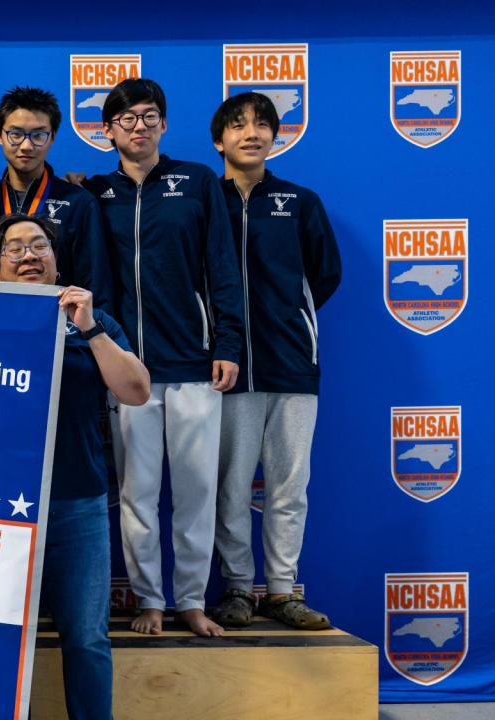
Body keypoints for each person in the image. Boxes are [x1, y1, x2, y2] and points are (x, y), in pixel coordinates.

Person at [83, 78, 244, 637]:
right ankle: (151, 599)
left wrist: (228, 344)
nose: (139, 126)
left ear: (164, 124)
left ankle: (192, 600)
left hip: (195, 366)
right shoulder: (95, 193)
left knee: (198, 492)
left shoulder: (197, 182)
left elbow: (223, 268)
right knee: (137, 493)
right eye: (127, 119)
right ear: (107, 130)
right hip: (129, 371)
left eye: (150, 116)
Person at [0, 214, 149, 719]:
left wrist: (92, 327)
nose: (29, 255)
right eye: (14, 250)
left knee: (86, 639)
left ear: (57, 262)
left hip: (77, 506)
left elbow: (136, 390)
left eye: (40, 245)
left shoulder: (89, 320)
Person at [209, 92, 341, 630]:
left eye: (263, 124)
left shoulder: (299, 201)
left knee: (289, 484)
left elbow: (324, 274)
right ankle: (239, 588)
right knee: (231, 485)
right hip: (225, 368)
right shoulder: (202, 200)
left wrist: (292, 321)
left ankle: (283, 591)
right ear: (219, 139)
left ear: (275, 136)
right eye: (239, 125)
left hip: (291, 365)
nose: (252, 132)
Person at [0, 87, 113, 307]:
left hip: (61, 334)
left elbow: (96, 287)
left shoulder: (78, 203)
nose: (27, 146)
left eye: (38, 135)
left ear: (52, 137)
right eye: (16, 134)